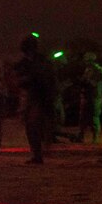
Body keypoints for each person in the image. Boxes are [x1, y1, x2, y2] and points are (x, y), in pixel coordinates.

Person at [13, 34, 59, 164]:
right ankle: (38, 152)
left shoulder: (40, 61)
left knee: (36, 126)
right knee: (32, 126)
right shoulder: (34, 62)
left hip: (40, 96)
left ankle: (40, 152)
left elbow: (47, 78)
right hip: (34, 96)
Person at [76, 52, 102, 143]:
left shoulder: (98, 70)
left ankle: (95, 138)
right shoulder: (88, 70)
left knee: (94, 117)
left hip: (94, 97)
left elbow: (94, 84)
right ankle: (81, 136)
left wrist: (85, 82)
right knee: (82, 117)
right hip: (86, 96)